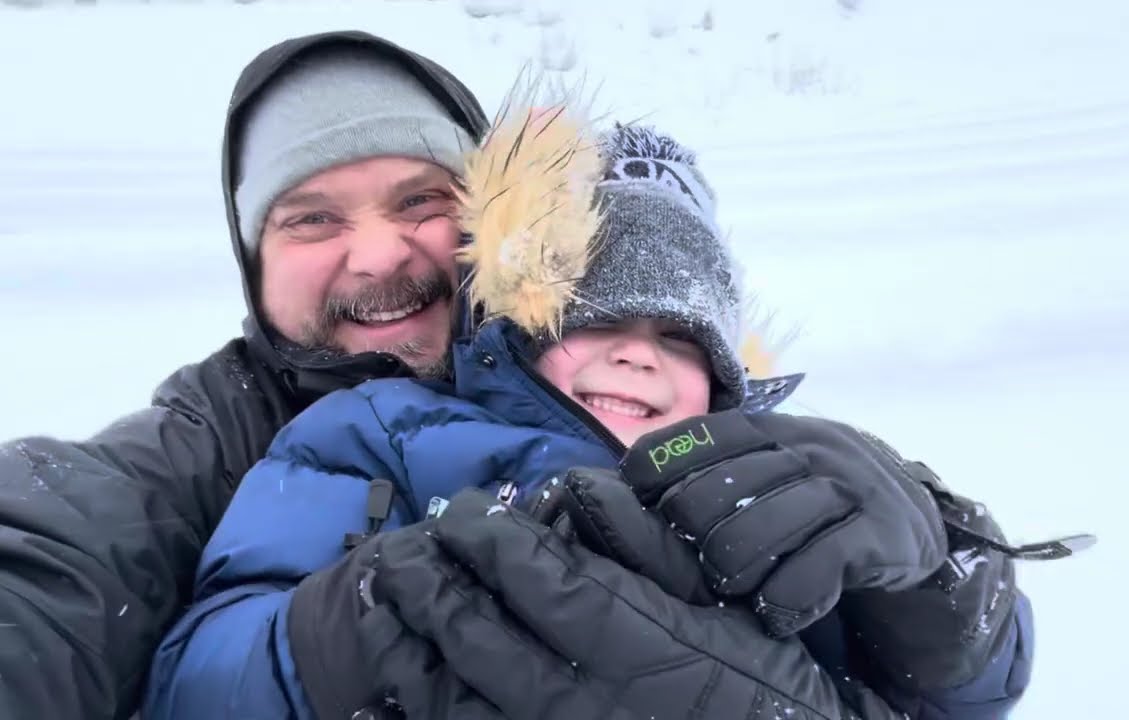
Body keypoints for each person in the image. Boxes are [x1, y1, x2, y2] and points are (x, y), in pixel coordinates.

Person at [141, 101, 1034, 720]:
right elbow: (199, 679)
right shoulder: (382, 431)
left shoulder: (764, 477)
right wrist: (371, 624)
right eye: (593, 319)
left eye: (681, 339)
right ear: (517, 330)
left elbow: (962, 695)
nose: (638, 354)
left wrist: (932, 571)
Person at [0, 30, 488, 718]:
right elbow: (54, 550)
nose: (380, 255)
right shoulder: (211, 442)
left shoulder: (615, 384)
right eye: (313, 218)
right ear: (254, 262)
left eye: (421, 202)